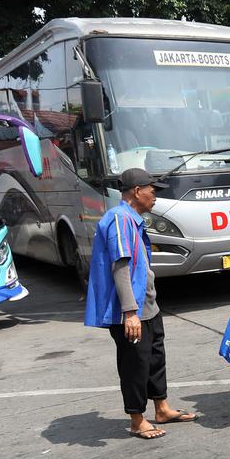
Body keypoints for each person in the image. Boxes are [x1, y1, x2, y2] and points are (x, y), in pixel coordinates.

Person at [85, 168, 198, 440]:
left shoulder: (132, 219)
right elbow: (120, 266)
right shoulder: (119, 219)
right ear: (137, 191)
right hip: (131, 310)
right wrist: (130, 312)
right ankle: (137, 420)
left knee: (155, 358)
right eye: (152, 190)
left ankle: (162, 409)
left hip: (148, 305)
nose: (155, 196)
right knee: (134, 364)